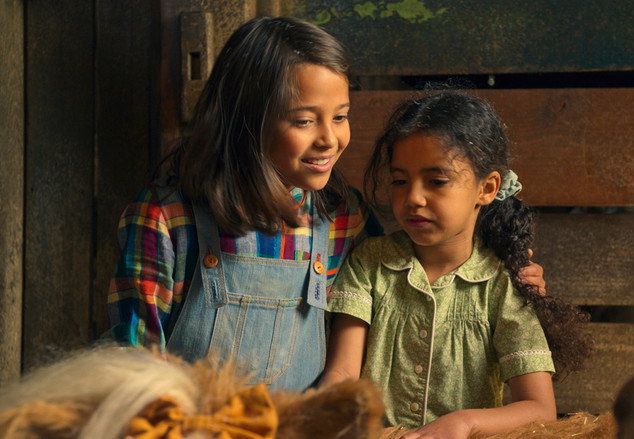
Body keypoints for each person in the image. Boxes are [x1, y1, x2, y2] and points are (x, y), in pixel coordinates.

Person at [106, 16, 381, 391]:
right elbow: (133, 356)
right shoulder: (168, 218)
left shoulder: (343, 218)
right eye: (304, 121)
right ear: (248, 121)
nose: (329, 139)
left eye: (340, 117)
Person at [321, 92, 591, 438]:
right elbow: (342, 374)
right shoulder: (369, 264)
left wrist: (464, 423)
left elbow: (540, 408)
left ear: (487, 188)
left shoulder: (503, 286)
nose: (413, 197)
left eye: (437, 181)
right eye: (400, 181)